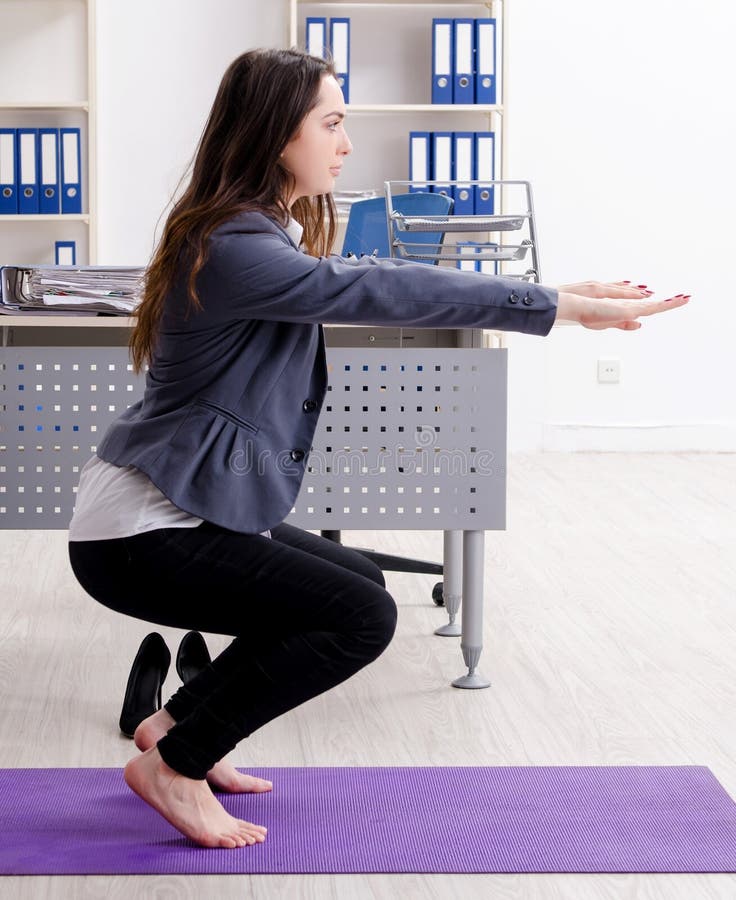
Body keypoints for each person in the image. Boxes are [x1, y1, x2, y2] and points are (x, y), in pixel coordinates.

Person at [67, 47, 689, 850]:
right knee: (360, 615)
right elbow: (376, 284)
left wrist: (562, 300)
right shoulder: (235, 245)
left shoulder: (256, 232)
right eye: (331, 122)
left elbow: (366, 279)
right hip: (141, 536)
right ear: (273, 133)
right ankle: (176, 768)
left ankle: (175, 727)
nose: (346, 144)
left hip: (168, 512)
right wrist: (563, 305)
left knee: (350, 578)